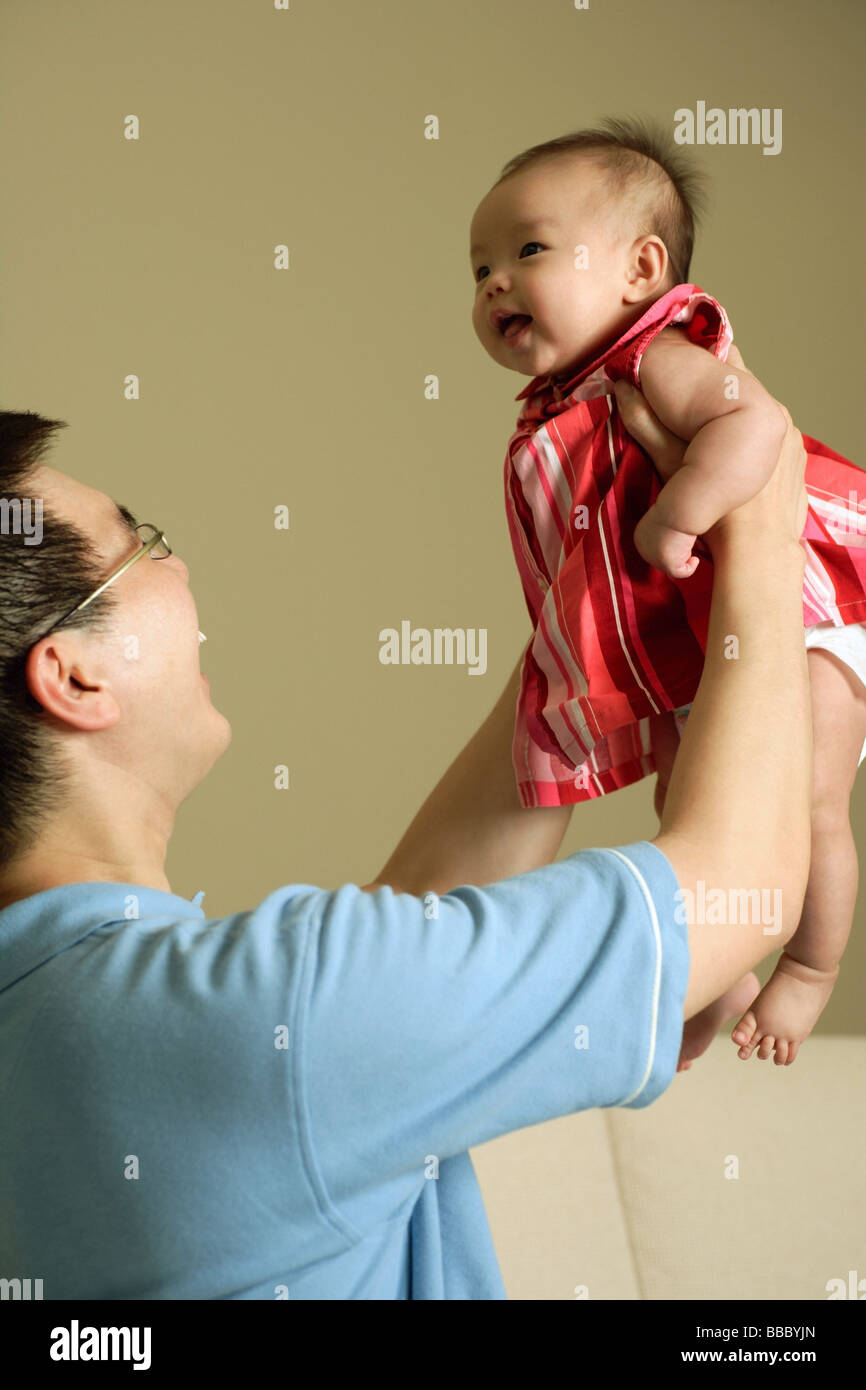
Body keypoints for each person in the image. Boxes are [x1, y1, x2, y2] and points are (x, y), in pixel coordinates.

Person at [0, 386, 809, 1300]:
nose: (177, 569)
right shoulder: (254, 1019)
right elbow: (744, 879)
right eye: (140, 539)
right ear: (73, 674)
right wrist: (765, 517)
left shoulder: (84, 1020)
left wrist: (593, 599)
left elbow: (406, 930)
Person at [468, 116, 866, 1067]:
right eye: (477, 267)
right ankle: (719, 976)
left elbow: (754, 424)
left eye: (527, 249)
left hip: (811, 612)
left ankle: (806, 971)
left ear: (642, 270)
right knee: (692, 819)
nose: (493, 282)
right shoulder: (561, 409)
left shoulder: (656, 353)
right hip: (712, 637)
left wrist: (678, 515)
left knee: (803, 803)